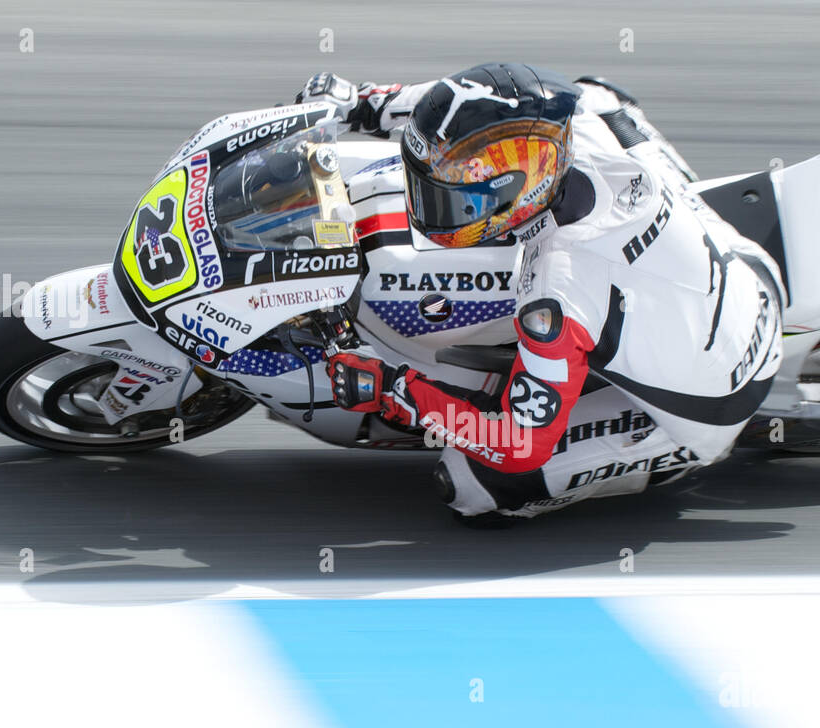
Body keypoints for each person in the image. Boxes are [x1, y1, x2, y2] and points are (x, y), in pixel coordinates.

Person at [299, 64, 784, 521]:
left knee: (471, 486)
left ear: (520, 189)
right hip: (738, 264)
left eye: (456, 197)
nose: (431, 207)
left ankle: (664, 448)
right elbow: (471, 105)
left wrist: (394, 389)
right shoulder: (580, 123)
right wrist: (361, 103)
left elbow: (518, 446)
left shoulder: (558, 289)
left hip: (720, 396)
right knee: (598, 89)